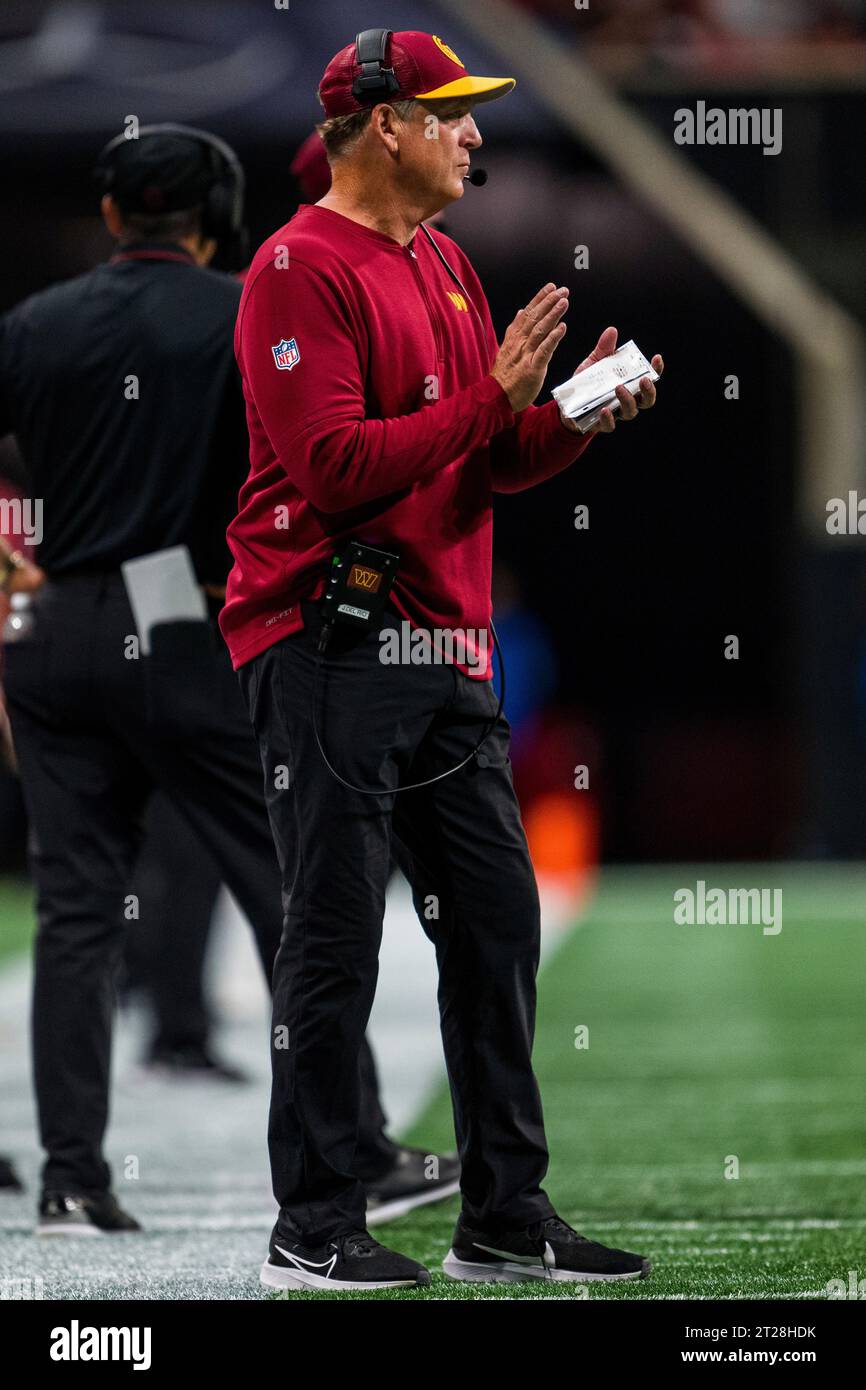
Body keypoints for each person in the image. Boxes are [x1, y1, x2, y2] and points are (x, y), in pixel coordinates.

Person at [225, 28, 663, 1291]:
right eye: (451, 111)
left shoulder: (450, 266)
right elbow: (336, 470)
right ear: (380, 125)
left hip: (444, 645)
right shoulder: (295, 267)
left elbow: (485, 461)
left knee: (494, 926)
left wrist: (570, 412)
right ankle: (312, 1219)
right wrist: (494, 401)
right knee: (335, 934)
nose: (473, 132)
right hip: (327, 640)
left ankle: (503, 1212)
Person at [0, 124, 456, 1235]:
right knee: (293, 890)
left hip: (50, 617)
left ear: (114, 215)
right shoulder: (246, 305)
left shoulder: (30, 322)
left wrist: (20, 567)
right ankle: (353, 1146)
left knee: (73, 909)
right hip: (185, 611)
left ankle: (71, 1174)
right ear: (215, 219)